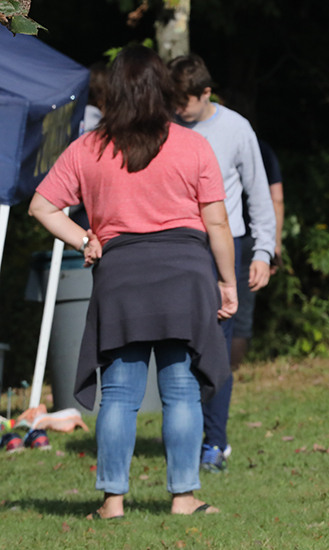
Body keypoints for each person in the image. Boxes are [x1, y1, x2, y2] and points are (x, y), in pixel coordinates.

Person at [28, 46, 235, 518]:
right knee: (181, 390)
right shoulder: (193, 145)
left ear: (114, 91)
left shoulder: (88, 148)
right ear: (162, 89)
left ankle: (113, 502)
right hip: (185, 277)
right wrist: (227, 282)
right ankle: (184, 497)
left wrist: (85, 238)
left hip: (121, 280)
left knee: (119, 394)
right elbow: (217, 223)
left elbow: (41, 206)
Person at [168, 55, 277, 472]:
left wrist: (264, 252)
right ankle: (185, 434)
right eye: (173, 102)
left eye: (185, 102)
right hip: (177, 246)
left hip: (226, 247)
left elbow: (258, 193)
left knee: (216, 347)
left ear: (206, 93)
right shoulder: (166, 126)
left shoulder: (235, 128)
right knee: (180, 347)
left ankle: (214, 441)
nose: (179, 110)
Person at [230, 139, 285, 369]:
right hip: (250, 239)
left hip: (215, 236)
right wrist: (273, 245)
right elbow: (276, 199)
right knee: (241, 316)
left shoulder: (200, 139)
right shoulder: (262, 149)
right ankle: (233, 374)